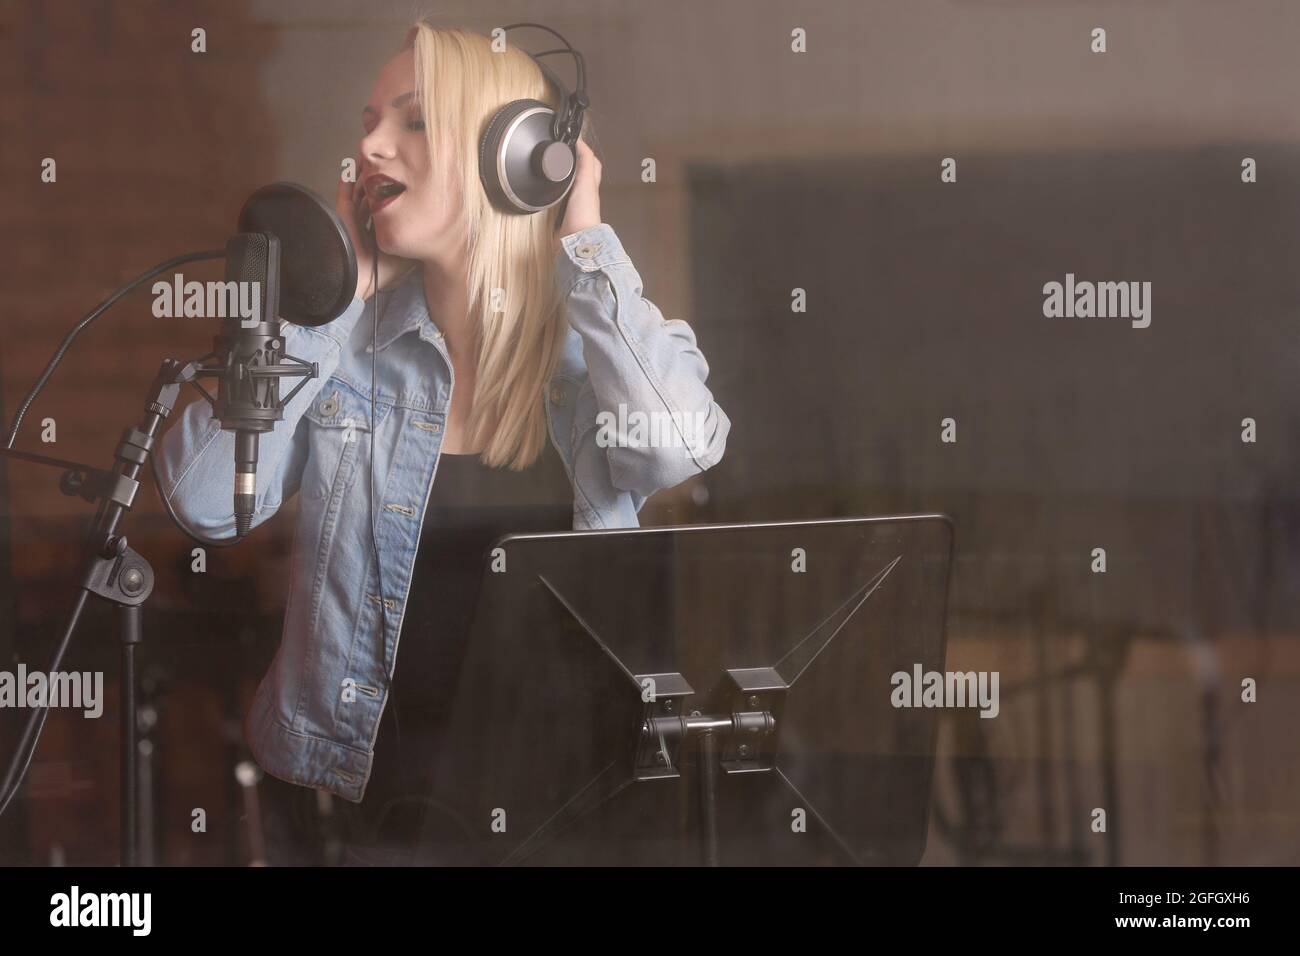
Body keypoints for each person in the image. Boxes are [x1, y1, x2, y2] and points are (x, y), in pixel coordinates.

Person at [155, 20, 729, 864]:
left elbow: (678, 444)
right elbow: (203, 501)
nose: (369, 145)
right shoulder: (339, 348)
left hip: (575, 822)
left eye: (414, 120)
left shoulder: (605, 356)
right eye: (368, 121)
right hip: (369, 824)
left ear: (523, 155)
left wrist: (586, 243)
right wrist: (329, 300)